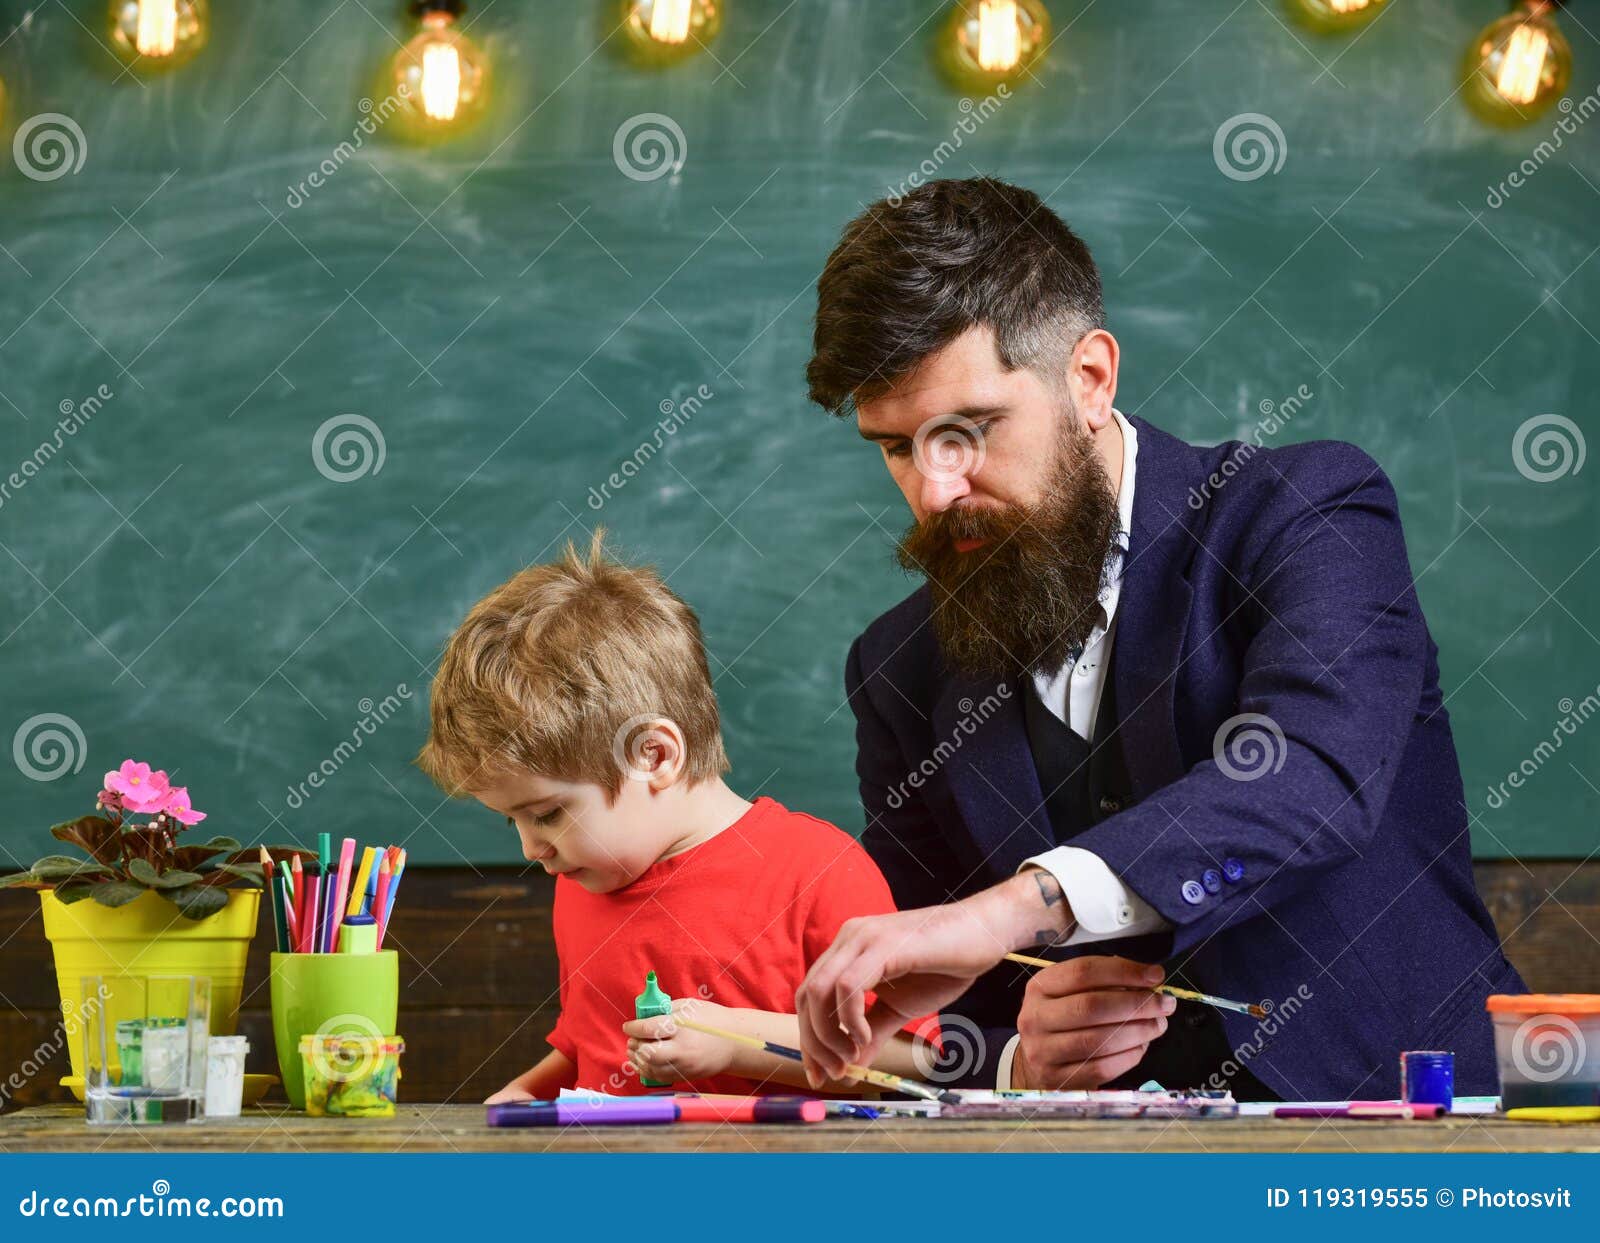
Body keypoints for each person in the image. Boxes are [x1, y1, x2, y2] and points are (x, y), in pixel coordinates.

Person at [795, 176, 1525, 1100]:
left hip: (1424, 1128)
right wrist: (1024, 1057)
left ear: (1090, 378)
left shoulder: (1307, 516)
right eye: (896, 447)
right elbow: (947, 995)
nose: (933, 491)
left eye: (967, 430)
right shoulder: (900, 669)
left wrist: (1028, 904)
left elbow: (1315, 771)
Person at [416, 532, 936, 1100]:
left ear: (654, 755)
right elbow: (591, 1049)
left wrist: (737, 1043)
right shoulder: (583, 884)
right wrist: (526, 1093)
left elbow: (910, 1059)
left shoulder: (817, 871)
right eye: (509, 820)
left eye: (546, 814)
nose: (529, 849)